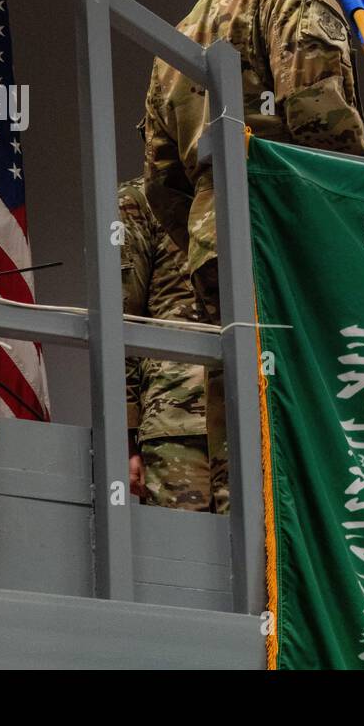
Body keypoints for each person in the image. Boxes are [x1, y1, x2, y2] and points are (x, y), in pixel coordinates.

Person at [140, 0, 364, 512]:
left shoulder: (178, 33)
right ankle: (294, 578)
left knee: (241, 432)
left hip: (219, 251)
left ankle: (252, 572)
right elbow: (324, 133)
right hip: (295, 246)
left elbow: (163, 181)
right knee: (308, 436)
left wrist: (212, 221)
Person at [120, 173, 215, 511]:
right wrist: (125, 436)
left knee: (266, 558)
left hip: (260, 411)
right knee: (183, 555)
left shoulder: (255, 191)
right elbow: (121, 319)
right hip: (177, 418)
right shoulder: (142, 199)